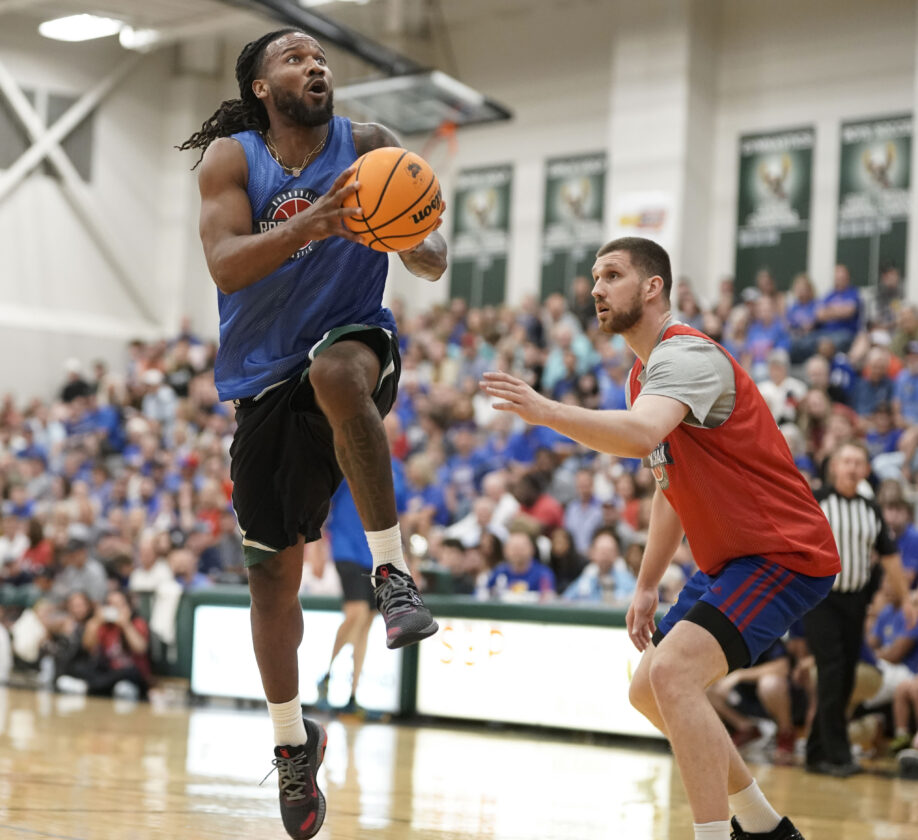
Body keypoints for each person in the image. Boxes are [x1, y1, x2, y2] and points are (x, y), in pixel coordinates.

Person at [178, 28, 446, 840]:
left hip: (353, 339)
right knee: (271, 580)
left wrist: (404, 235)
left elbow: (432, 256)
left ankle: (394, 576)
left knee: (336, 374)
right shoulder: (231, 159)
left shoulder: (369, 146)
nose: (314, 65)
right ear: (262, 87)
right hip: (262, 375)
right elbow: (226, 264)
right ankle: (294, 743)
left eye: (319, 57)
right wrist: (316, 225)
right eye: (294, 59)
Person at [481, 236, 840, 840]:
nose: (596, 288)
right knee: (648, 690)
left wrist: (547, 411)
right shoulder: (641, 376)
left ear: (653, 288)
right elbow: (668, 482)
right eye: (595, 277)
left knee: (673, 675)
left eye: (612, 275)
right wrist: (647, 584)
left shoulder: (687, 355)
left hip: (784, 551)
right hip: (733, 560)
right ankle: (763, 827)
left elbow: (639, 434)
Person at [803, 441, 916, 776]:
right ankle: (838, 755)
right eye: (847, 461)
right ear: (834, 466)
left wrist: (905, 600)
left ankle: (816, 752)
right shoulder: (817, 501)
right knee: (832, 671)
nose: (852, 468)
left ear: (866, 469)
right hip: (821, 599)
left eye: (858, 462)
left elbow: (890, 556)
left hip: (856, 602)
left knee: (846, 675)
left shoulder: (871, 508)